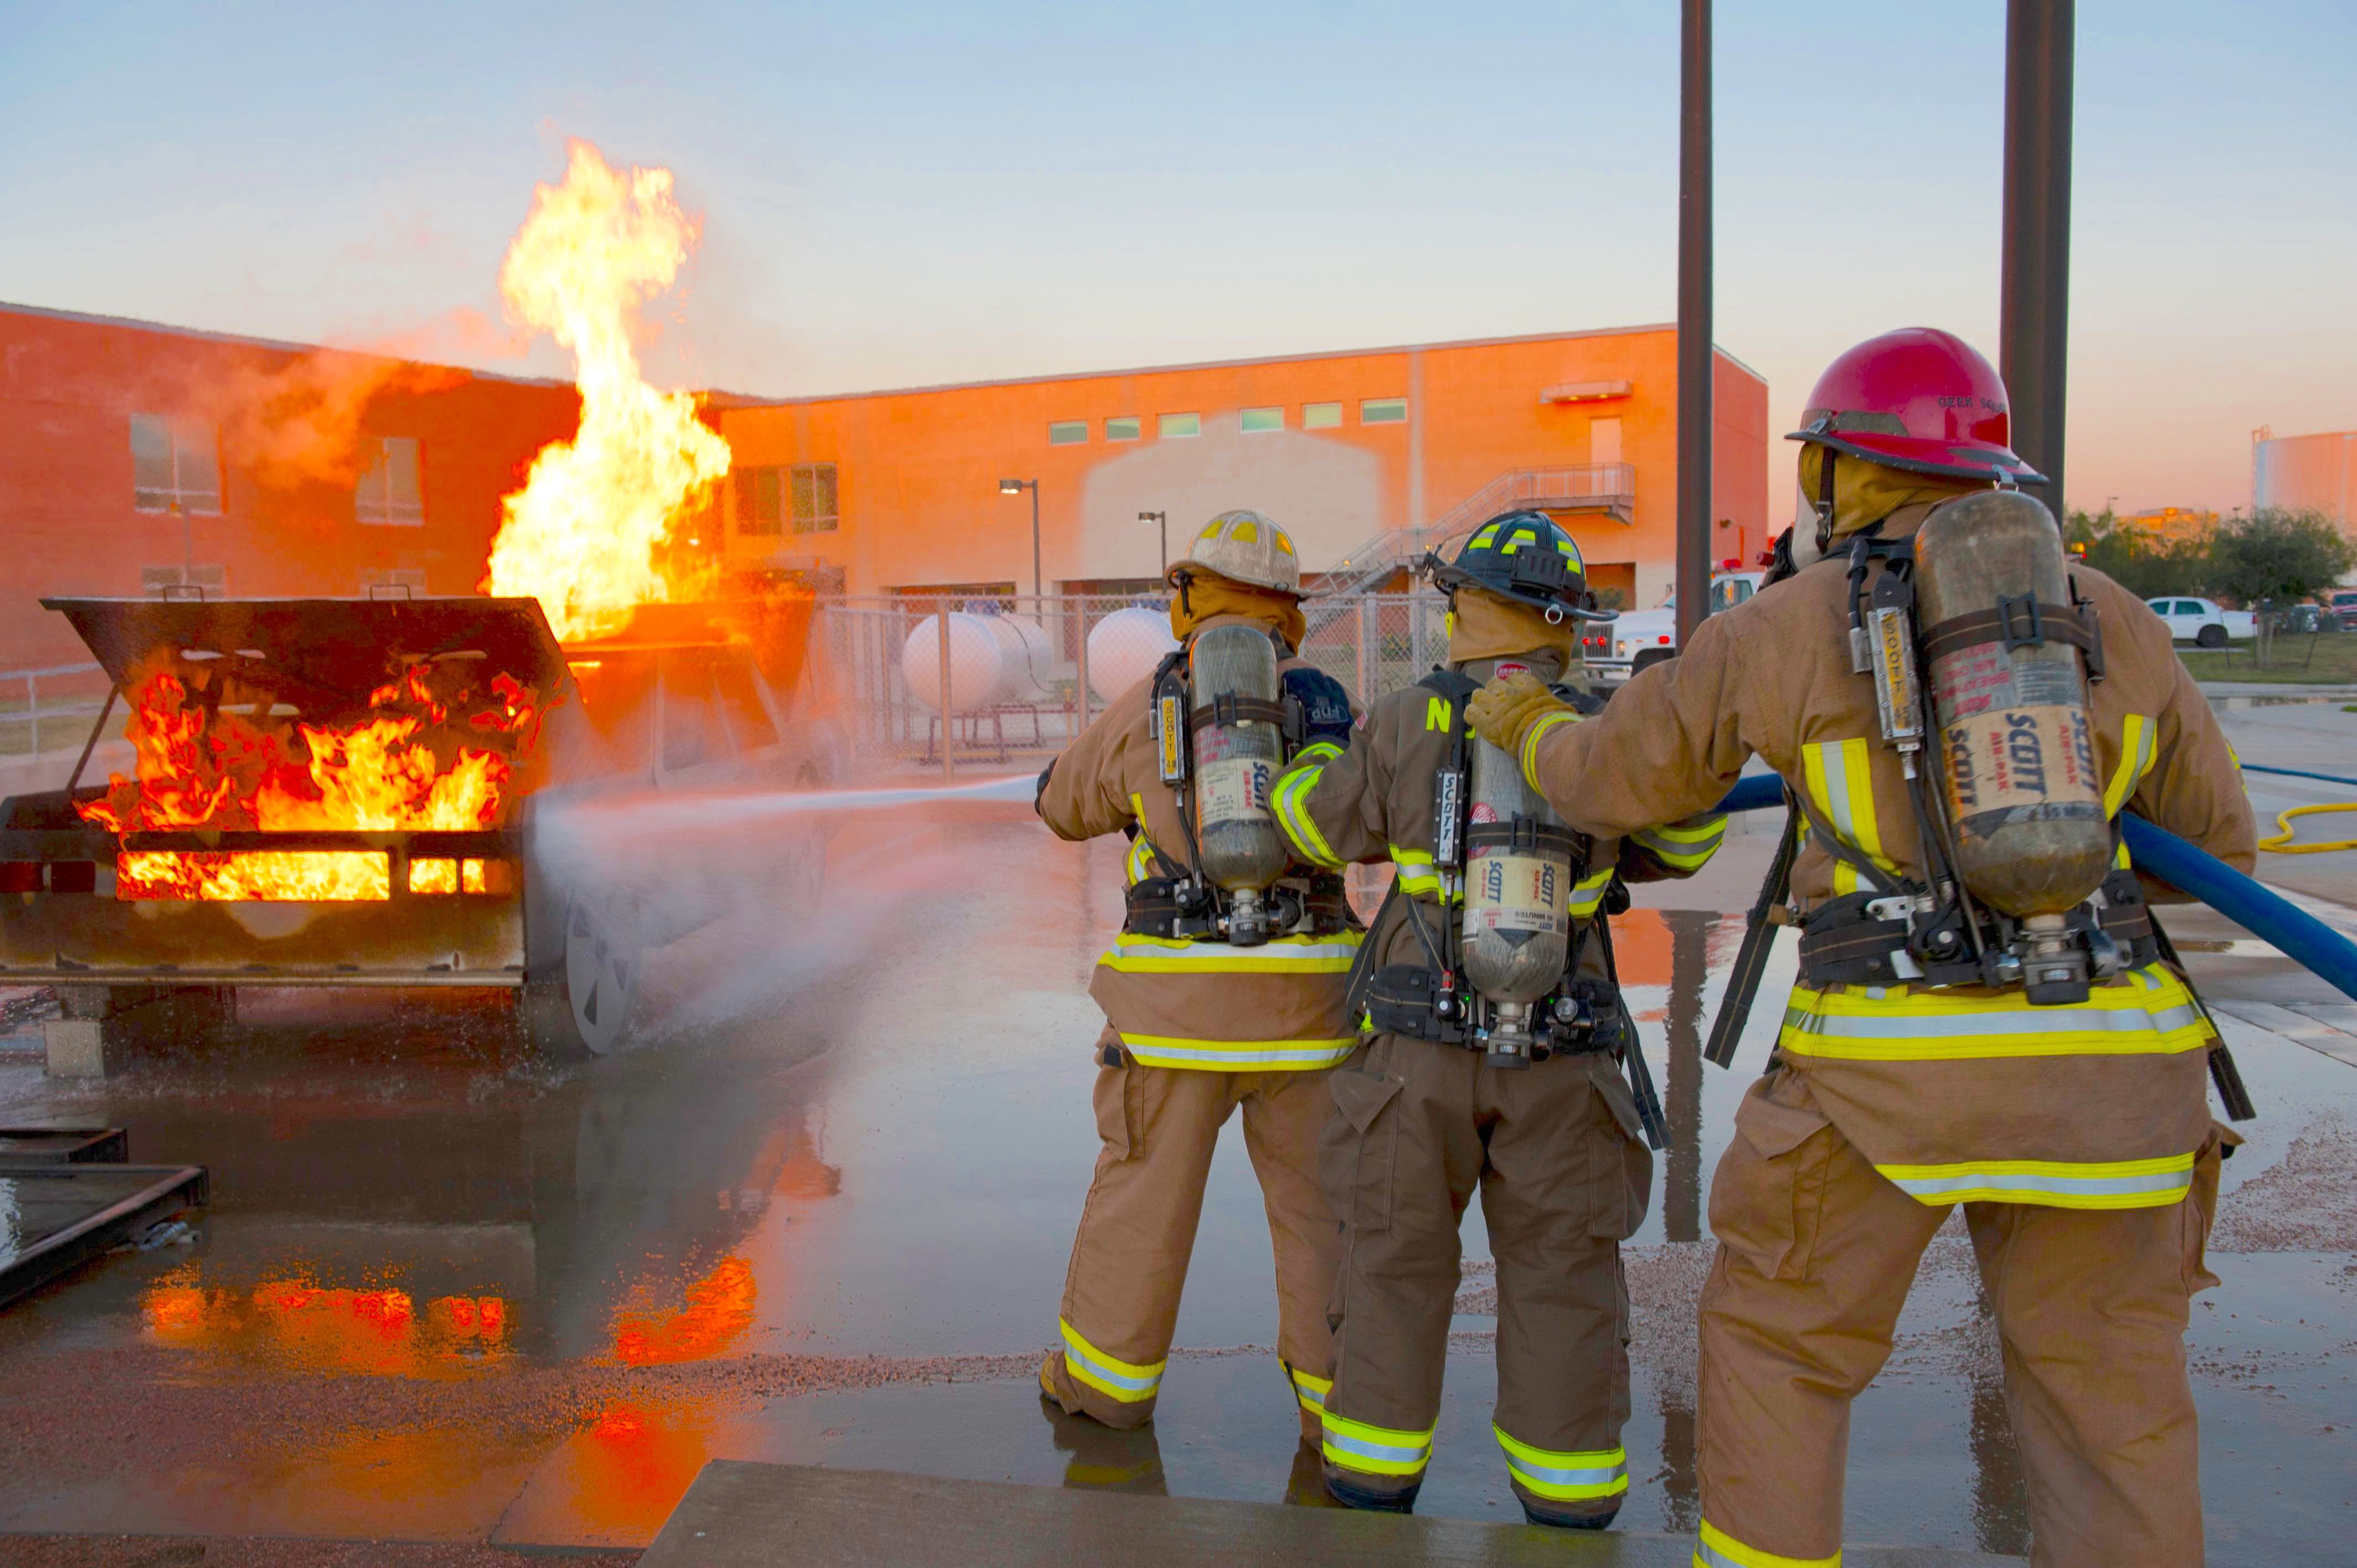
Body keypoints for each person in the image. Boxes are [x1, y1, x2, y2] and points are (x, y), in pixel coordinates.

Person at [1465, 328, 2257, 1568]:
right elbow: (2214, 845)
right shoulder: (2114, 619)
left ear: (1837, 471)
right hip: (2114, 1072)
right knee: (2116, 1403)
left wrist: (1522, 715)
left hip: (1882, 1077)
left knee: (1782, 1347)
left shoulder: (1782, 623)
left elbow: (1611, 785)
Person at [1265, 510, 1726, 1526]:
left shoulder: (1405, 715)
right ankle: (1568, 1504)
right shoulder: (1595, 726)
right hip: (1567, 1051)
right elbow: (1688, 843)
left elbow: (1317, 824)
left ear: (1468, 605)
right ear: (1563, 620)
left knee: (1391, 1260)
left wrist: (1309, 754)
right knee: (1566, 1272)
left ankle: (1373, 1483)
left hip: (1414, 1048)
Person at [1035, 509, 1363, 1460]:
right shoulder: (1329, 704)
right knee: (1323, 1217)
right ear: (1289, 610)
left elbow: (1063, 806)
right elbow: (1369, 822)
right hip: (1311, 1018)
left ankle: (1103, 1391)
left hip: (1175, 1022)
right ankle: (1335, 1407)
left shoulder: (1150, 700)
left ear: (1191, 597)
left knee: (1143, 1199)